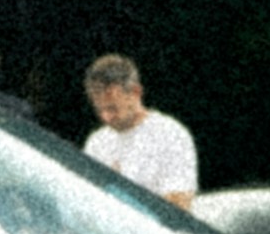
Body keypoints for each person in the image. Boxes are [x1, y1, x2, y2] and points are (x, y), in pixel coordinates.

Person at [80, 53, 196, 207]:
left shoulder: (171, 135)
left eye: (113, 109)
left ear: (135, 92)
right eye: (100, 110)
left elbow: (178, 208)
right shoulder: (96, 142)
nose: (106, 118)